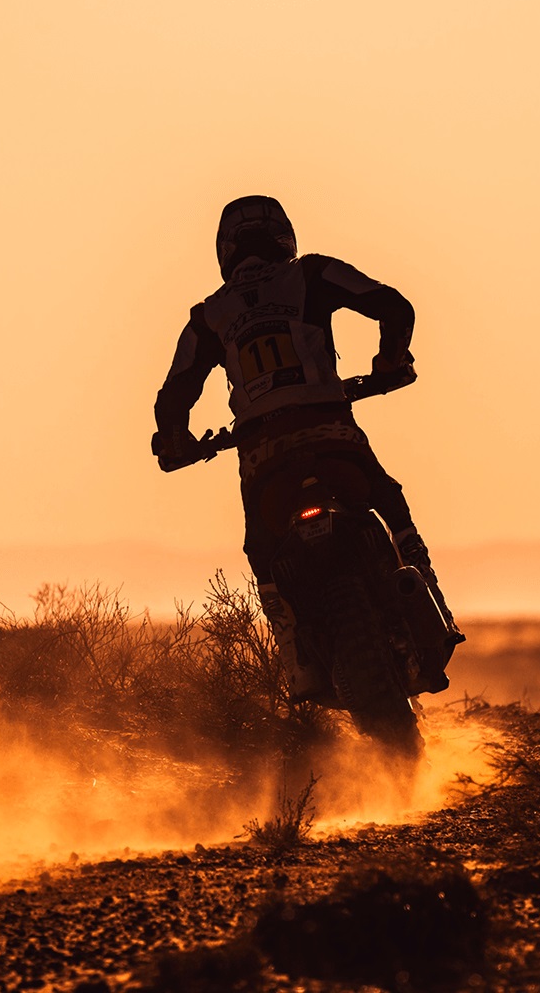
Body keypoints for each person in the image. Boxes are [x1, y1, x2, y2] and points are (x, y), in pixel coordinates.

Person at [153, 195, 462, 701]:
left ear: (225, 250)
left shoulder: (209, 316)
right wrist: (389, 362)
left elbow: (172, 398)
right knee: (388, 499)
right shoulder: (312, 273)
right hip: (331, 434)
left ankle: (294, 651)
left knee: (262, 550)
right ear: (283, 236)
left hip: (263, 460)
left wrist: (176, 443)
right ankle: (429, 596)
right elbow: (395, 307)